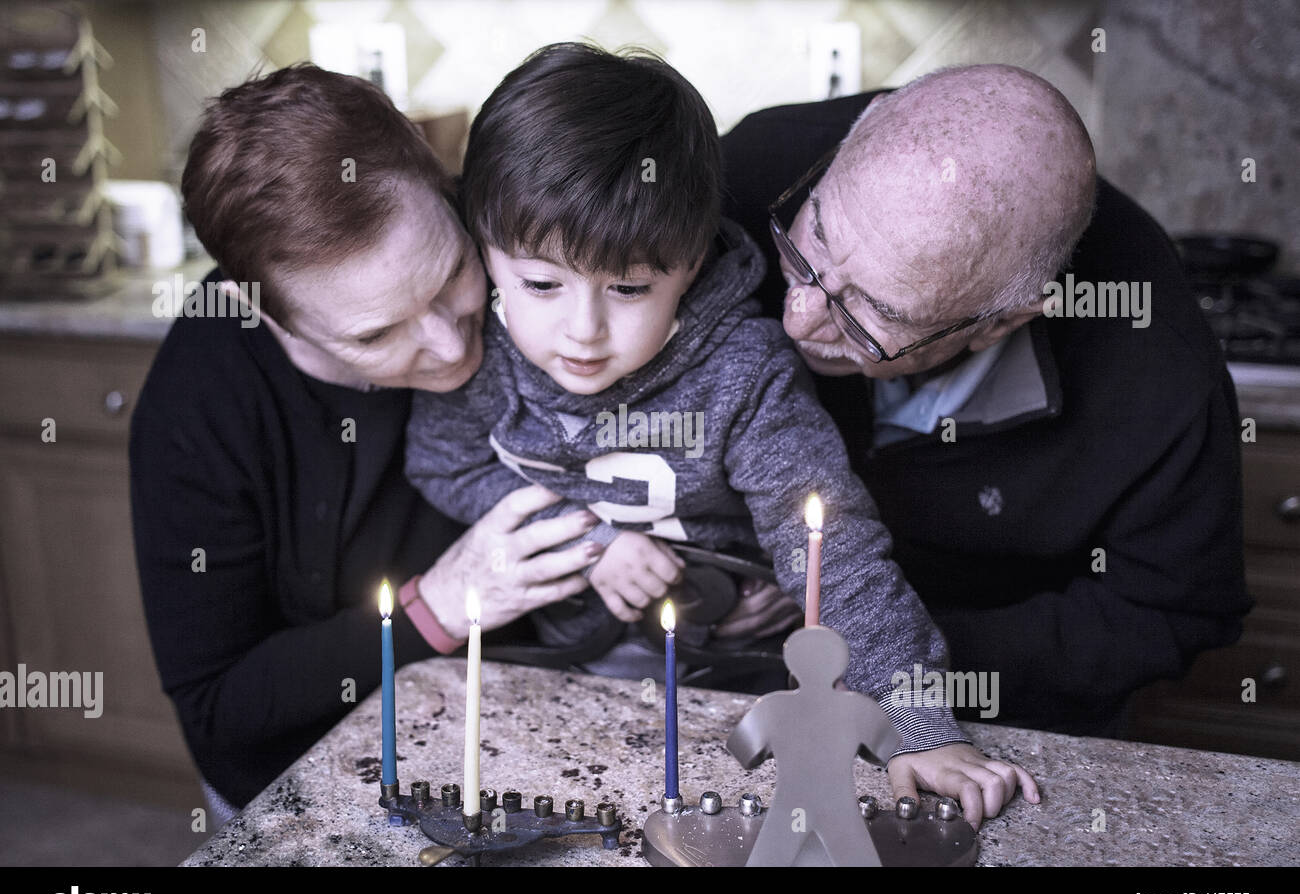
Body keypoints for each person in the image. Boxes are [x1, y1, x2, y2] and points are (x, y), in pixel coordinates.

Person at [404, 44, 1038, 828]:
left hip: (733, 690)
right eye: (539, 283)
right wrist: (588, 538)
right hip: (552, 678)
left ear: (693, 260)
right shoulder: (480, 356)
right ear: (485, 250)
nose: (581, 331)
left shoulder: (746, 372)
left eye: (630, 289)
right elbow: (440, 463)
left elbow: (832, 549)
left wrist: (915, 724)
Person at [720, 65, 1252, 743]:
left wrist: (891, 653)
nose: (798, 318)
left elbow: (1172, 610)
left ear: (1002, 321)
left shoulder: (1158, 366)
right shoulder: (747, 170)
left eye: (872, 315)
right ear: (864, 128)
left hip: (997, 719)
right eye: (811, 240)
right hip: (725, 673)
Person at [129, 65, 603, 817]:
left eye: (451, 273)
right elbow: (219, 703)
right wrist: (439, 607)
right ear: (265, 313)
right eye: (377, 334)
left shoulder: (513, 233)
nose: (450, 346)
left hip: (520, 730)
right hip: (296, 776)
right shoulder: (201, 403)